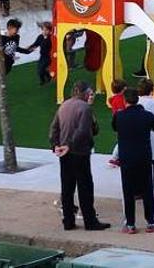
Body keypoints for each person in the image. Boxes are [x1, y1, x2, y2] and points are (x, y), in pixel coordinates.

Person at [51, 82, 109, 231]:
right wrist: (69, 145)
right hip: (79, 152)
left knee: (67, 187)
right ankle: (90, 221)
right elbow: (84, 131)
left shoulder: (64, 105)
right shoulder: (85, 108)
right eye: (90, 93)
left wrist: (56, 145)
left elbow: (54, 128)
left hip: (64, 153)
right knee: (85, 186)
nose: (91, 96)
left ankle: (68, 221)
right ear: (84, 93)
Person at [113, 87, 154, 234]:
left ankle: (130, 223)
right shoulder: (147, 116)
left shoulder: (119, 116)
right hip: (144, 157)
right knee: (147, 189)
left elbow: (115, 127)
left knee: (128, 191)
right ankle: (151, 221)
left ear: (125, 101)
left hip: (126, 158)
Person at [18, 19, 55, 87]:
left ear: (50, 31)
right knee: (39, 70)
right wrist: (27, 48)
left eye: (46, 30)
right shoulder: (40, 37)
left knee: (42, 69)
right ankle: (46, 78)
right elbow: (35, 44)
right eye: (43, 30)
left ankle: (45, 80)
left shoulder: (51, 38)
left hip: (49, 56)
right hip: (42, 56)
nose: (44, 31)